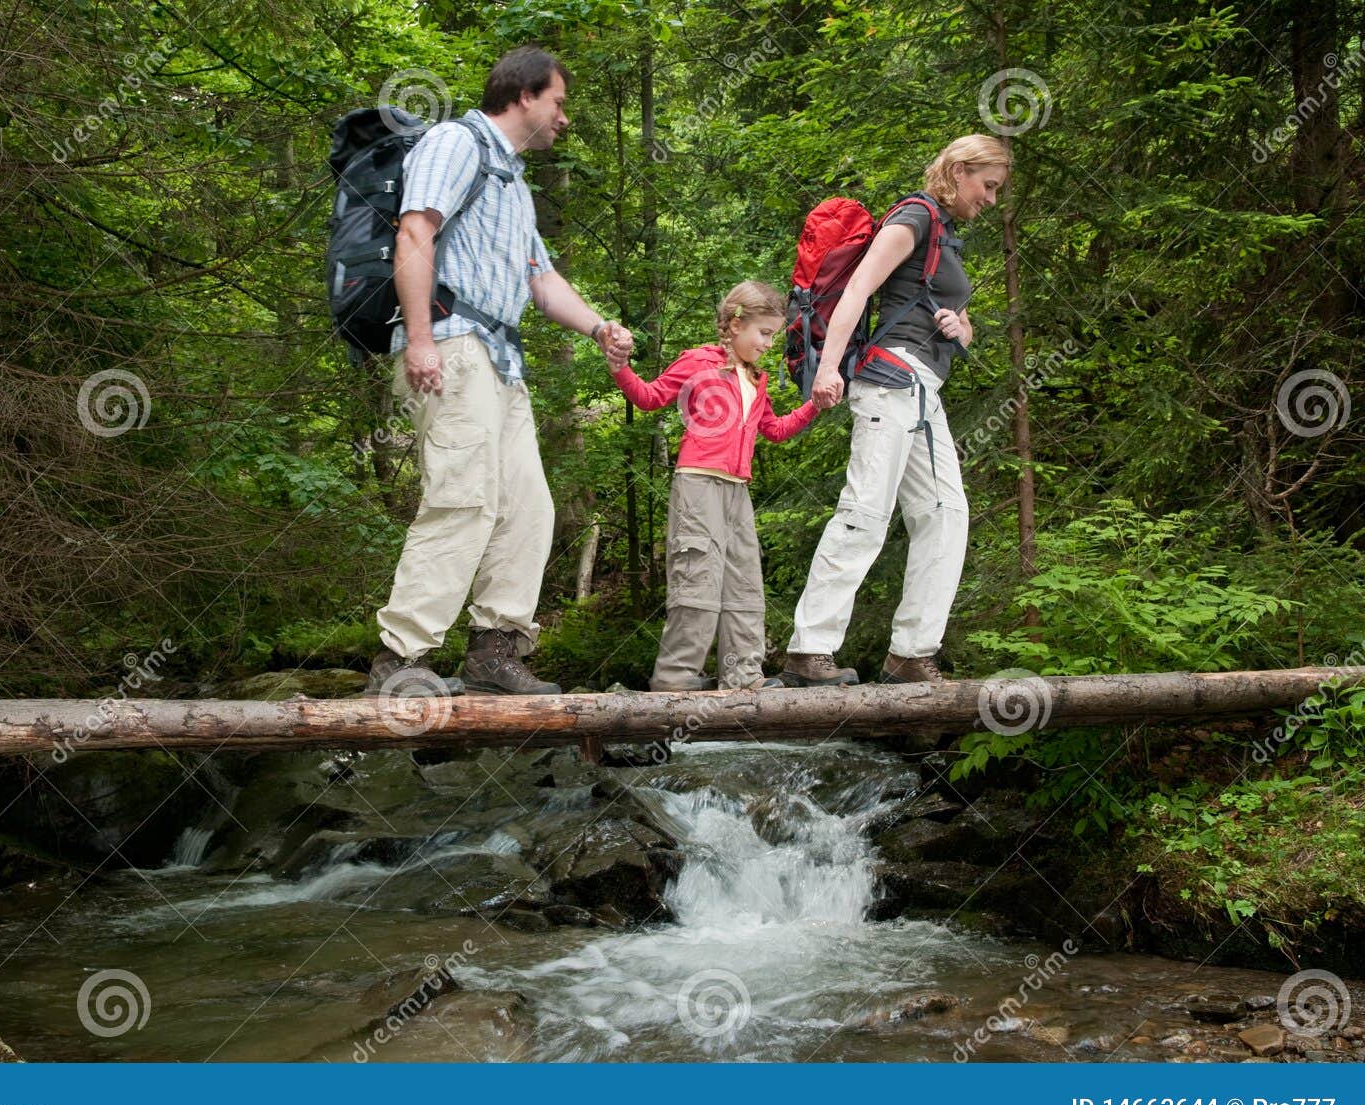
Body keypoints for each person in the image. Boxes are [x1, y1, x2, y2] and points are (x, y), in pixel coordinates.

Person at [369, 47, 635, 697]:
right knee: (462, 497)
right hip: (453, 344)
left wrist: (599, 327)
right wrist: (421, 340)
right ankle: (399, 658)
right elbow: (414, 234)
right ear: (523, 95)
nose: (564, 118)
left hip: (501, 359)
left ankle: (494, 649)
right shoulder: (455, 143)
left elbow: (541, 281)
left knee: (528, 506)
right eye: (558, 103)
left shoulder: (512, 181)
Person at [780, 134, 1010, 687]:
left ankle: (911, 654)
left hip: (923, 388)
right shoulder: (914, 216)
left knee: (946, 515)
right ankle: (809, 650)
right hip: (889, 382)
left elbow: (957, 322)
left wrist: (961, 327)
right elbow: (858, 290)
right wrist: (828, 368)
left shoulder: (947, 236)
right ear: (958, 171)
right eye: (987, 186)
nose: (991, 199)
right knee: (865, 511)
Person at [609, 281, 827, 691]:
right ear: (736, 324)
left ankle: (742, 675)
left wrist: (814, 404)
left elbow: (775, 430)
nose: (768, 344)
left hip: (737, 491)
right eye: (764, 333)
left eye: (773, 336)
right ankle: (675, 679)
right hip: (698, 485)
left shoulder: (757, 380)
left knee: (745, 582)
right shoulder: (698, 362)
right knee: (697, 579)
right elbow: (649, 397)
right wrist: (619, 366)